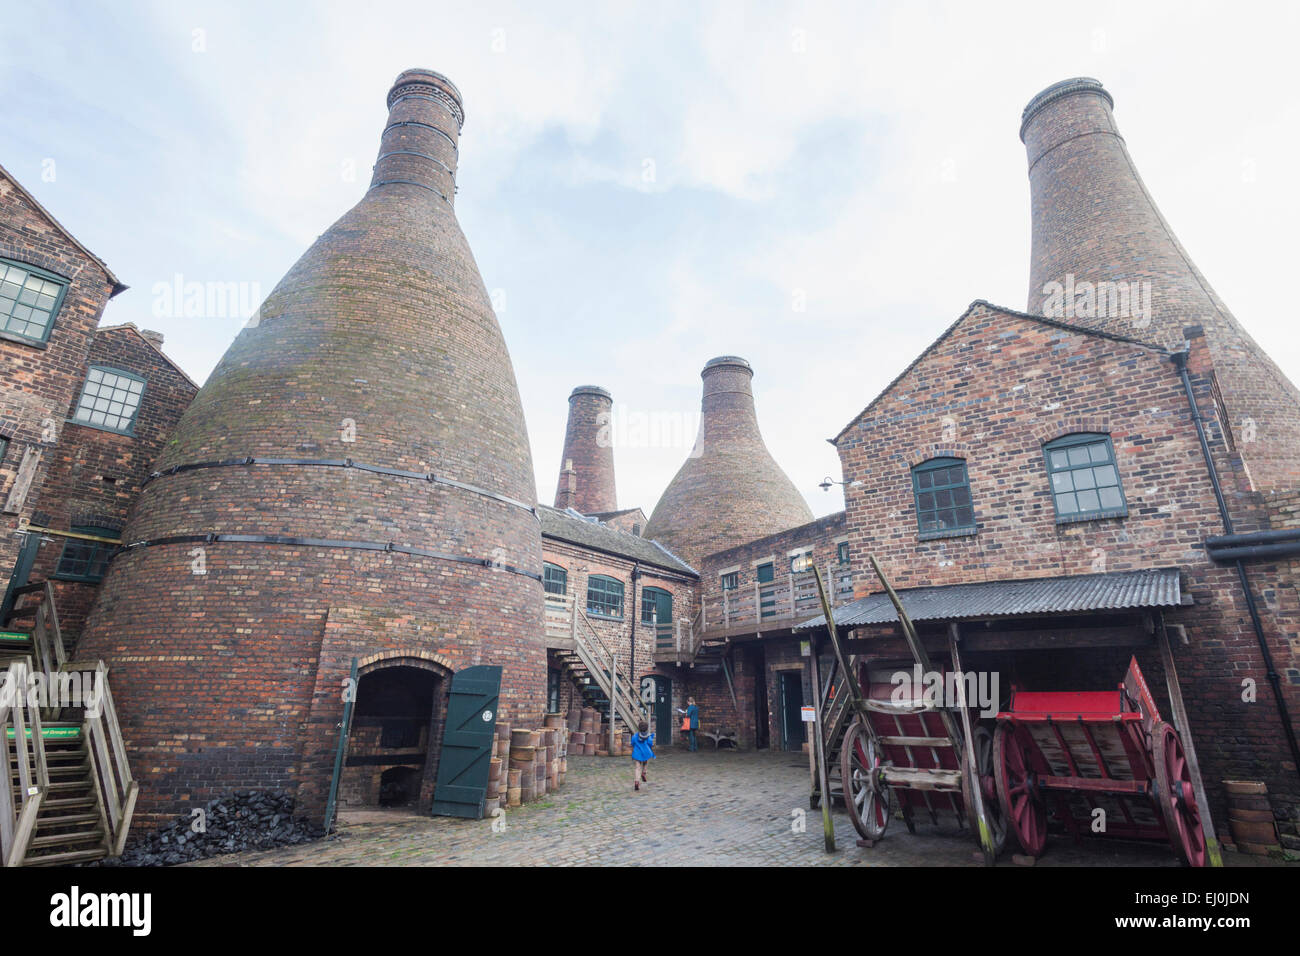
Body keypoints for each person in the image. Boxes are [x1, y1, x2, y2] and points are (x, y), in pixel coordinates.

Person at [631, 720, 655, 791]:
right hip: (646, 753)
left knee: (637, 768)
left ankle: (636, 781)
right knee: (646, 762)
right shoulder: (649, 736)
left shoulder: (635, 736)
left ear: (639, 728)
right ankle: (644, 772)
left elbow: (632, 743)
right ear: (647, 728)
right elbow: (650, 744)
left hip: (637, 753)